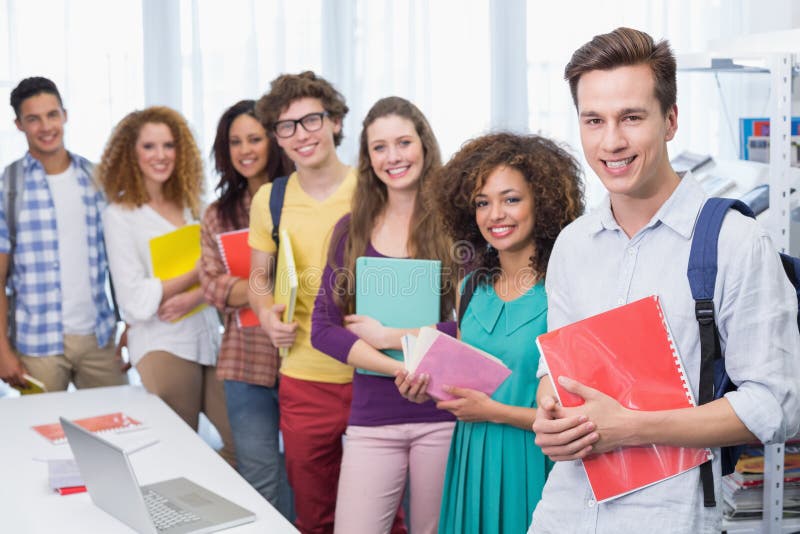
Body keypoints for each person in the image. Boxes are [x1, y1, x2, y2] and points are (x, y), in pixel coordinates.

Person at [529, 27, 800, 533]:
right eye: (594, 120)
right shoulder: (573, 244)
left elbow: (777, 402)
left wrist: (631, 428)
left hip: (671, 517)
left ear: (671, 120)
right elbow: (556, 369)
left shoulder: (734, 242)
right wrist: (548, 409)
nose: (611, 141)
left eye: (631, 117)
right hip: (563, 511)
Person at [397, 132, 585, 533]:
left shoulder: (566, 291)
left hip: (533, 462)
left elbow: (576, 418)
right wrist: (425, 386)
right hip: (471, 456)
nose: (495, 214)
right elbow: (468, 382)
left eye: (510, 199)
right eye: (483, 202)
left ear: (543, 202)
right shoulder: (471, 289)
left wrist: (493, 412)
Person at [249, 71, 398, 534]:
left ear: (334, 122)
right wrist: (264, 315)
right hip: (303, 378)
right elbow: (258, 278)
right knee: (314, 513)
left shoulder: (374, 189)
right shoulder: (270, 200)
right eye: (287, 126)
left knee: (385, 514)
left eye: (311, 120)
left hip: (372, 372)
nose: (301, 135)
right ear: (277, 138)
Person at [311, 96, 458, 534]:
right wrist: (395, 366)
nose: (393, 157)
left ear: (424, 146)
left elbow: (475, 324)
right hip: (372, 417)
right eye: (379, 147)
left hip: (443, 413)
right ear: (367, 157)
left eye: (403, 142)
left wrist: (393, 336)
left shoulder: (458, 224)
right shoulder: (350, 229)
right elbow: (323, 329)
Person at [98, 106, 235, 466]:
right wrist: (197, 271)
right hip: (163, 345)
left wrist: (196, 289)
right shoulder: (120, 216)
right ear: (132, 153)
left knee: (243, 446)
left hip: (208, 339)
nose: (161, 156)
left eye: (169, 145)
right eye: (149, 147)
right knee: (179, 456)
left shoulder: (194, 206)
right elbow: (135, 303)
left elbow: (222, 275)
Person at [0, 76, 127, 392]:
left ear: (65, 115)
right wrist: (2, 351)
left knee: (114, 428)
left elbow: (123, 261)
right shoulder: (8, 187)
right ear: (19, 124)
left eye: (52, 115)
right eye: (33, 119)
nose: (46, 126)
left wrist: (131, 325)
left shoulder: (97, 179)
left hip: (99, 337)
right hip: (37, 344)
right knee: (43, 436)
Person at [198, 100, 293, 509]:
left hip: (301, 354)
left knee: (310, 474)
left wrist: (246, 281)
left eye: (254, 138)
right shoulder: (218, 213)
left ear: (274, 142)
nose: (245, 149)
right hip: (245, 360)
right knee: (259, 475)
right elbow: (213, 288)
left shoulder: (300, 202)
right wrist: (267, 278)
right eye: (235, 141)